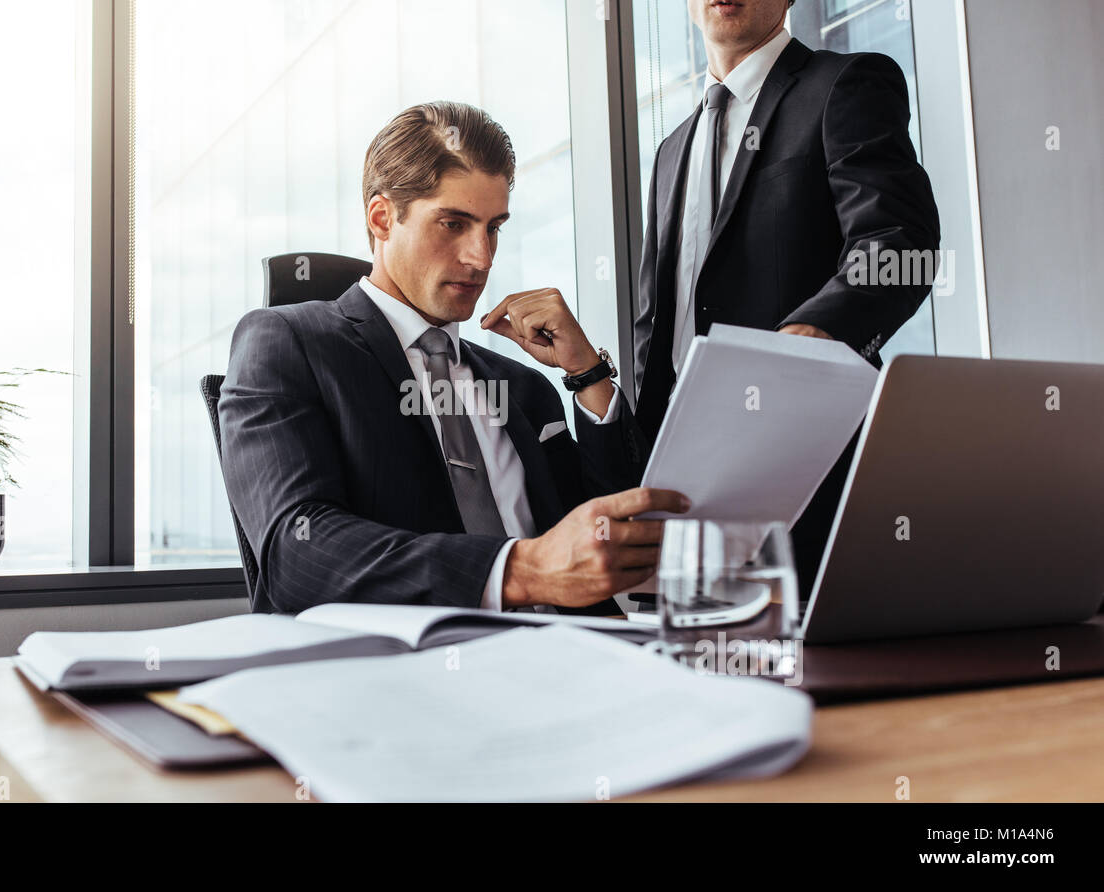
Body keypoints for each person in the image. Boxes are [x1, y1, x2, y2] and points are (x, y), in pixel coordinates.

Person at [219, 101, 687, 615]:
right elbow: (294, 553)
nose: (481, 258)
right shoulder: (288, 343)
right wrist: (521, 571)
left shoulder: (524, 391)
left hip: (576, 660)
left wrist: (587, 372)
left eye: (493, 228)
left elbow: (627, 530)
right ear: (382, 217)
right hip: (403, 673)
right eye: (453, 224)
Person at [634, 0, 941, 592]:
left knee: (822, 667)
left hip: (812, 454)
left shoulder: (844, 85)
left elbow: (898, 245)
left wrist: (813, 337)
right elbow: (659, 322)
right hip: (691, 481)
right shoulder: (671, 150)